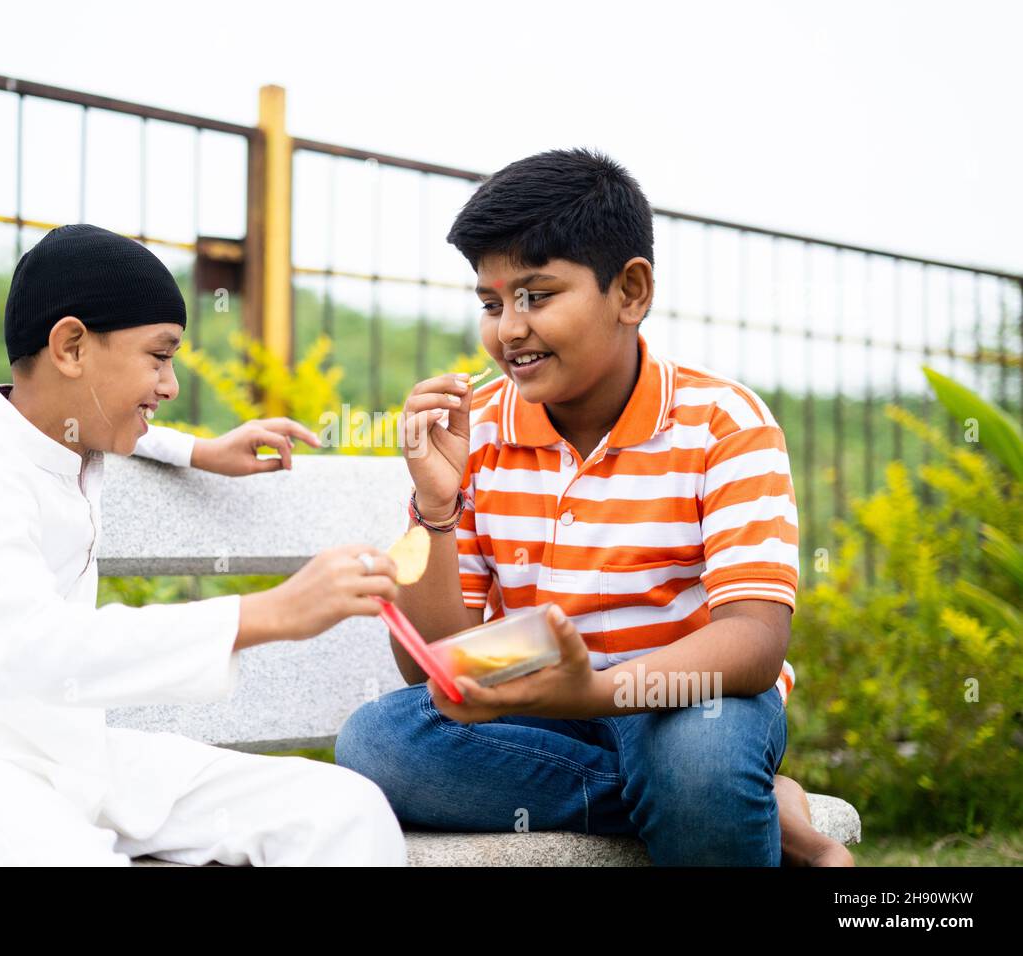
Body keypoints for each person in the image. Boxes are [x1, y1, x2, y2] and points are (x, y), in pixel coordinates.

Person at [335, 149, 852, 866]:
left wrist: (598, 689)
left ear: (631, 291)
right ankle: (750, 803)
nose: (508, 328)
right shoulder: (476, 428)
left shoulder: (723, 422)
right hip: (540, 714)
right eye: (491, 302)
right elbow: (435, 673)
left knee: (699, 757)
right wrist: (434, 505)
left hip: (692, 700)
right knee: (378, 741)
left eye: (537, 295)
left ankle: (712, 787)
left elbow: (755, 645)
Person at [0, 223, 407, 866]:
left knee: (343, 811)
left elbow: (112, 428)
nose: (169, 385)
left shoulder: (72, 440)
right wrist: (265, 614)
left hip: (72, 751)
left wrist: (201, 450)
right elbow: (40, 650)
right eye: (159, 356)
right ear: (72, 347)